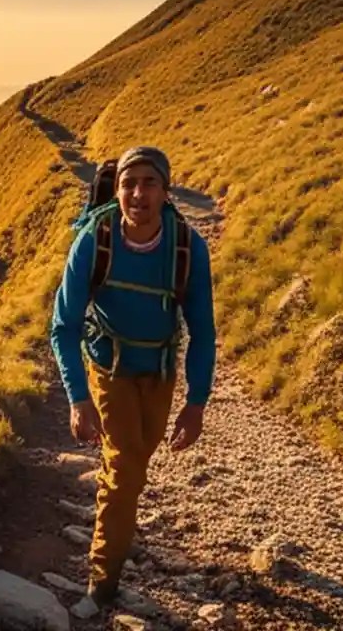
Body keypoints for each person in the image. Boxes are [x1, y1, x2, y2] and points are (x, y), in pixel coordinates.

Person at [48, 145, 216, 619]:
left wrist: (196, 402)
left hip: (159, 372)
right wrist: (79, 398)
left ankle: (117, 521)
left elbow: (203, 331)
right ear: (117, 190)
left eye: (149, 183)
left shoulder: (187, 248)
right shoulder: (95, 240)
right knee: (125, 471)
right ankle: (103, 583)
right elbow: (63, 325)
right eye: (128, 184)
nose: (138, 194)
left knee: (135, 461)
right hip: (110, 369)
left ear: (166, 191)